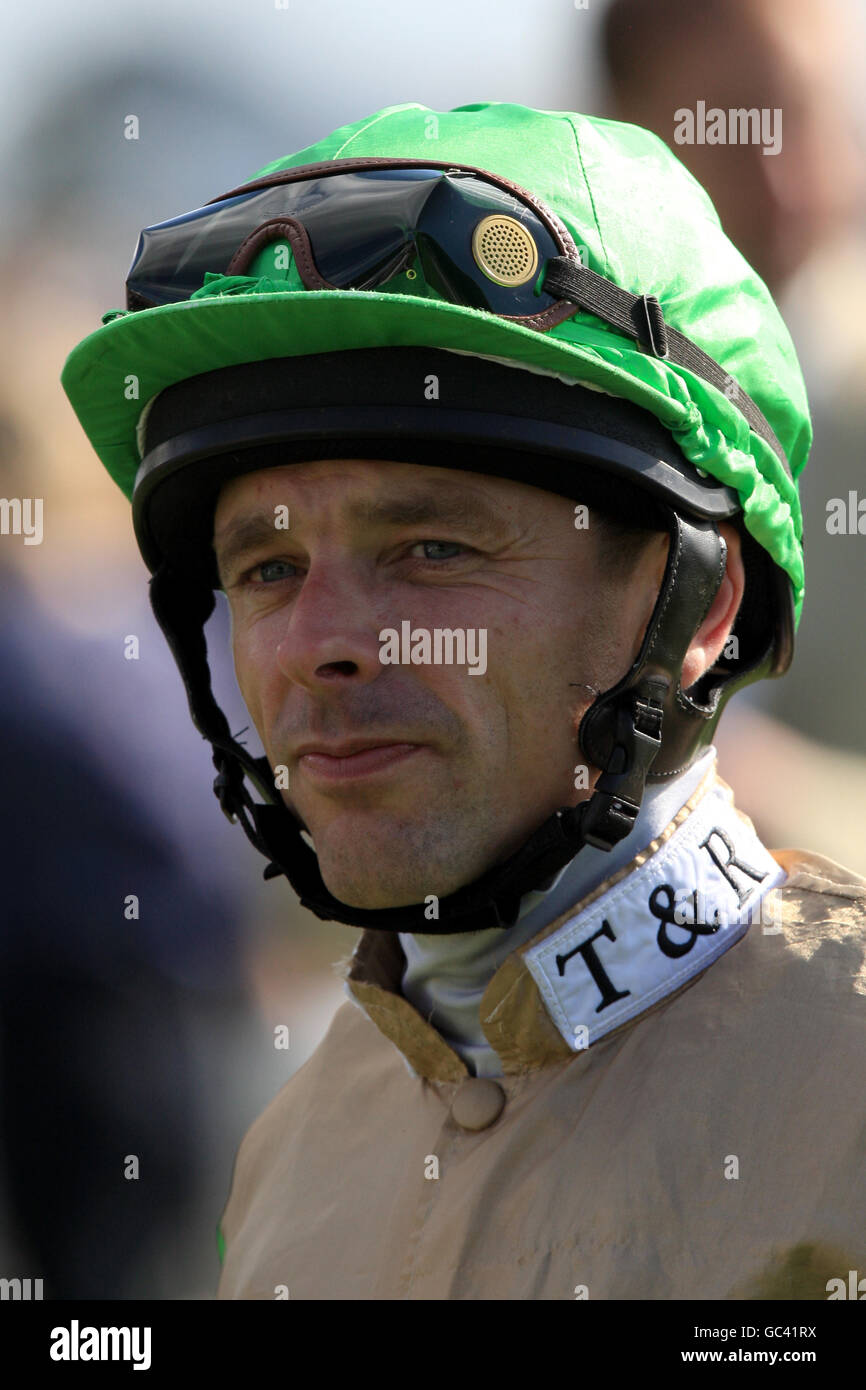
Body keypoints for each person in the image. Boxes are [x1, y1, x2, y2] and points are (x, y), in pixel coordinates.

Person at [61, 101, 866, 1301]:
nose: (321, 646)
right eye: (267, 568)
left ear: (696, 610)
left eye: (432, 548)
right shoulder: (286, 1149)